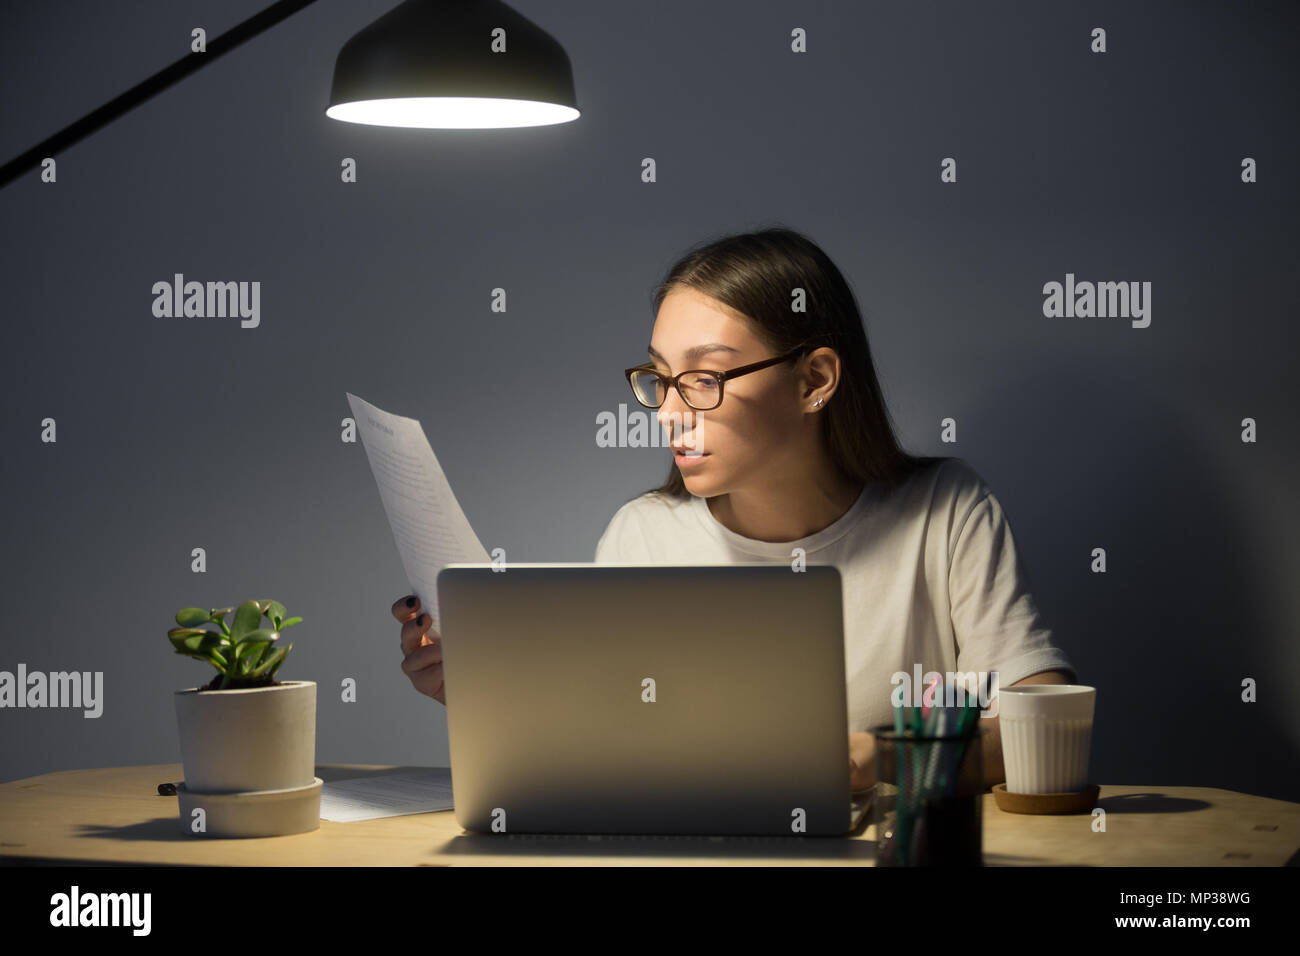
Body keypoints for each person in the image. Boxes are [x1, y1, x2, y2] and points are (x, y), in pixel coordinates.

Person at [393, 226, 1076, 795]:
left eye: (704, 378)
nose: (667, 411)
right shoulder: (644, 535)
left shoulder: (944, 511)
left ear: (814, 381)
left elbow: (1041, 732)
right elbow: (603, 748)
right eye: (660, 379)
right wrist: (484, 697)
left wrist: (875, 758)